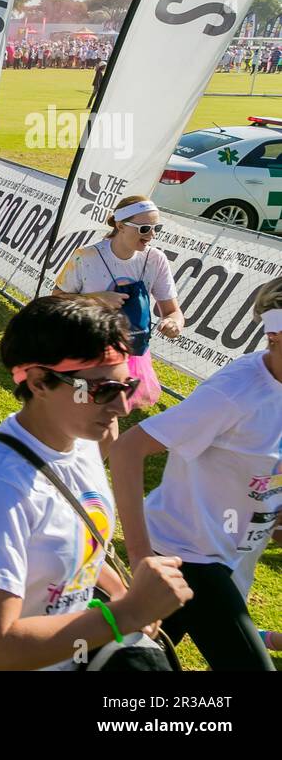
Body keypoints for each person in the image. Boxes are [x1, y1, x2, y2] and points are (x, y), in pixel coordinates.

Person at [0, 296, 191, 670]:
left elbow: (75, 541)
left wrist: (121, 591)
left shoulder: (83, 442)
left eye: (127, 386)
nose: (122, 407)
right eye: (103, 390)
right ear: (40, 382)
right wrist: (127, 612)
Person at [108, 278, 282, 670]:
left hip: (229, 558)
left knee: (133, 659)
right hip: (186, 557)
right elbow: (126, 450)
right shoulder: (235, 392)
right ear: (275, 333)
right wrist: (140, 559)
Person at [54, 196, 184, 412]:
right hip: (84, 348)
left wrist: (173, 323)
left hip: (129, 353)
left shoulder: (156, 259)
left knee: (112, 410)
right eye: (144, 229)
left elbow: (173, 311)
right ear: (120, 226)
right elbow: (55, 299)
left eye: (156, 228)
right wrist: (94, 298)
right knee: (79, 406)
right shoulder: (86, 256)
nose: (151, 235)